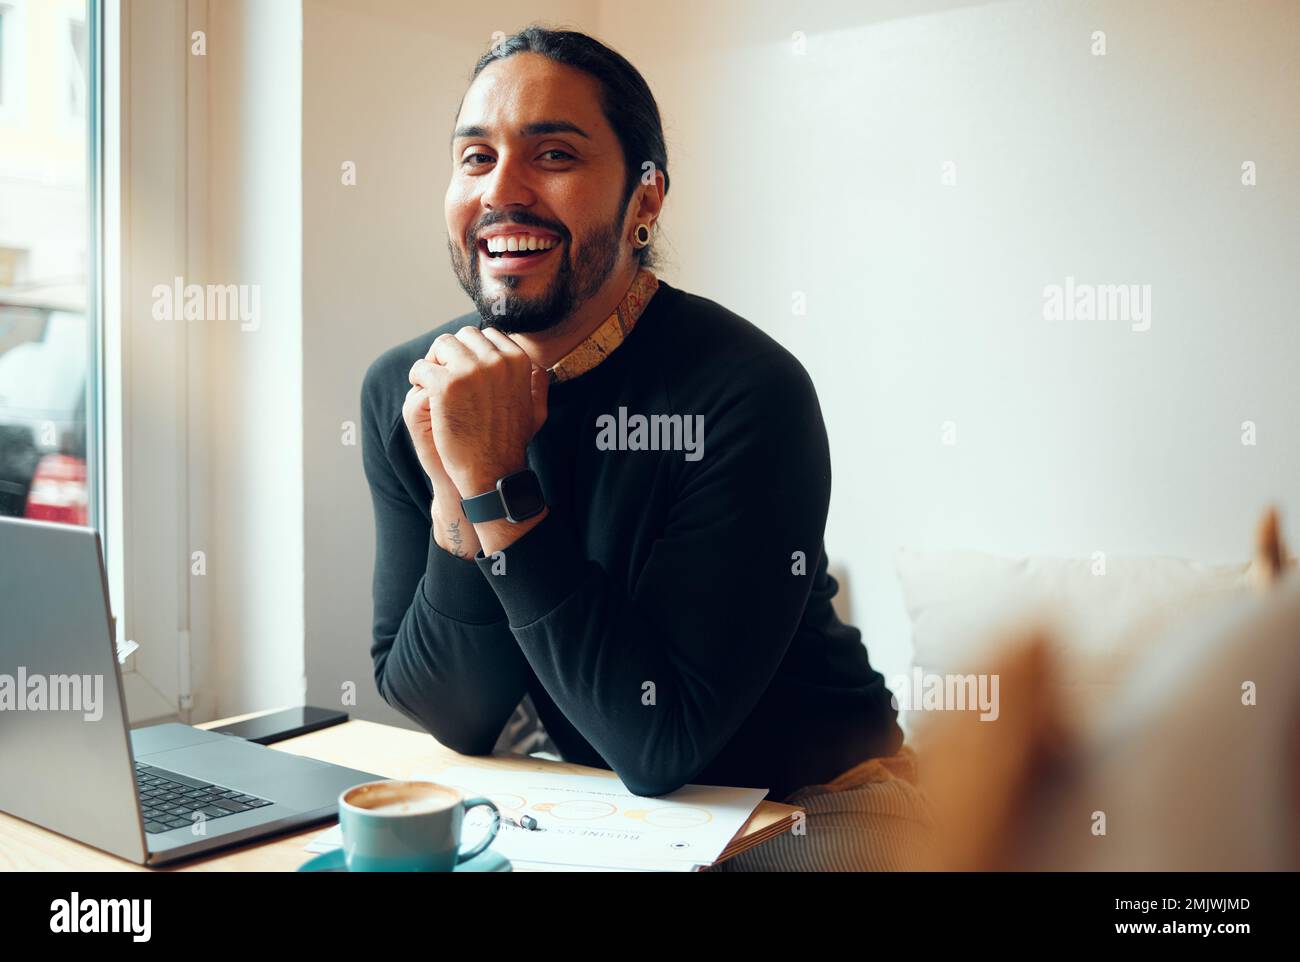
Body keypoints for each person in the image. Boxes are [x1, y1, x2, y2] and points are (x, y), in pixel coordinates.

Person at [360, 25, 932, 870]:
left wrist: (498, 483)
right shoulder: (409, 389)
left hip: (812, 800)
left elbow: (664, 741)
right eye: (476, 158)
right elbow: (453, 715)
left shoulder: (747, 391)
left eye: (554, 155)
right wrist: (456, 497)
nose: (501, 190)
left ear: (645, 201)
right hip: (607, 802)